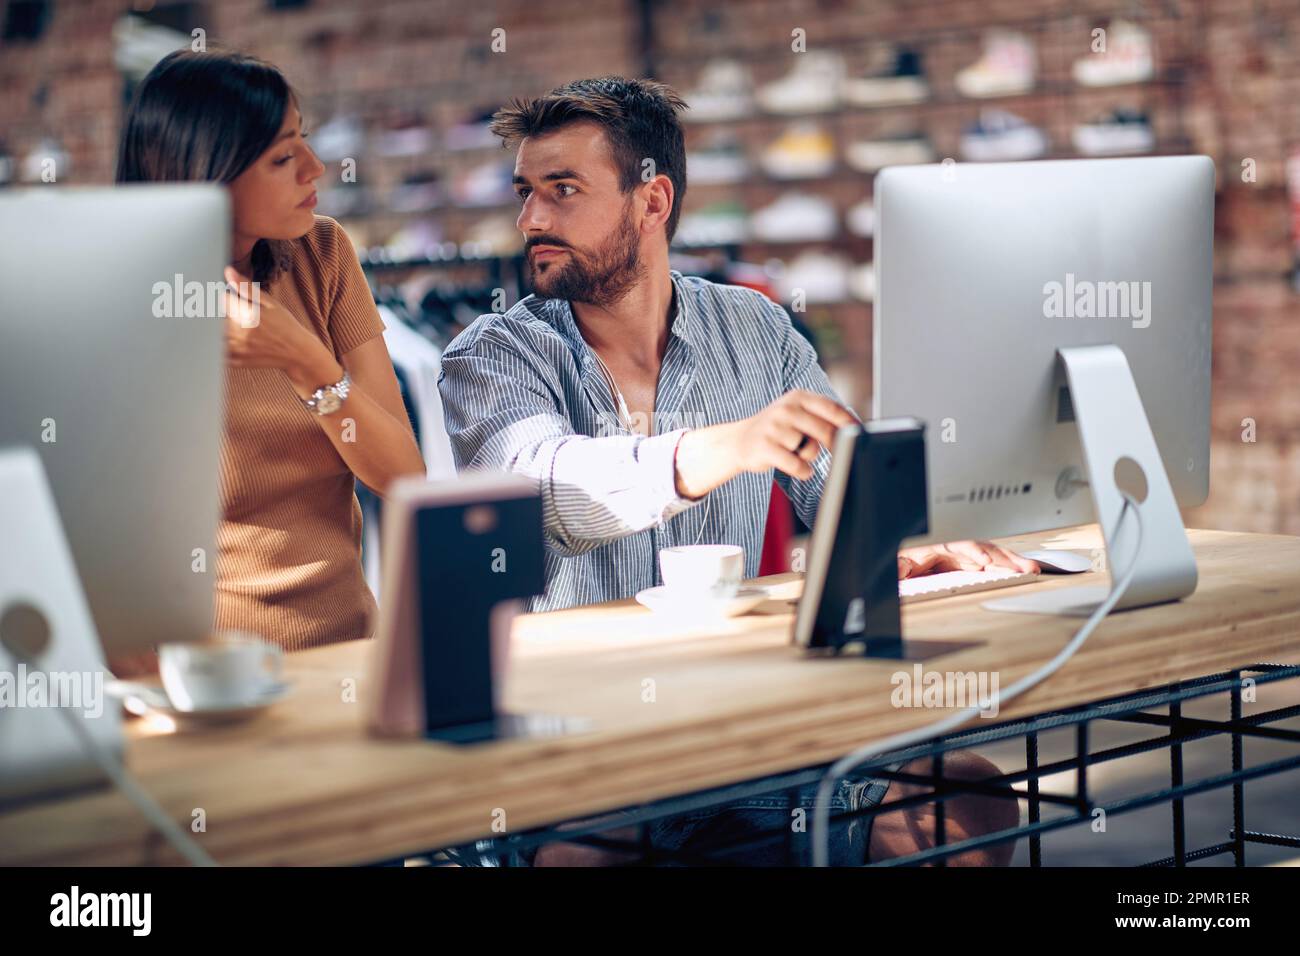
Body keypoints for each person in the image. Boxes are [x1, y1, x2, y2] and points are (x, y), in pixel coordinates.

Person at [438, 76, 1027, 865]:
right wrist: (720, 448)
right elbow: (543, 490)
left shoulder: (753, 327)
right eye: (525, 192)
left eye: (563, 190)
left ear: (653, 202)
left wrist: (904, 541)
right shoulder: (491, 354)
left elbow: (835, 486)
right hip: (580, 758)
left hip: (749, 735)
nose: (530, 219)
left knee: (969, 800)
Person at [114, 49, 424, 669]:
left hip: (351, 652)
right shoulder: (123, 307)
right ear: (208, 176)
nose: (315, 167)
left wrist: (309, 363)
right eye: (283, 157)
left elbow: (402, 476)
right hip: (211, 677)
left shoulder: (324, 253)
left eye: (303, 141)